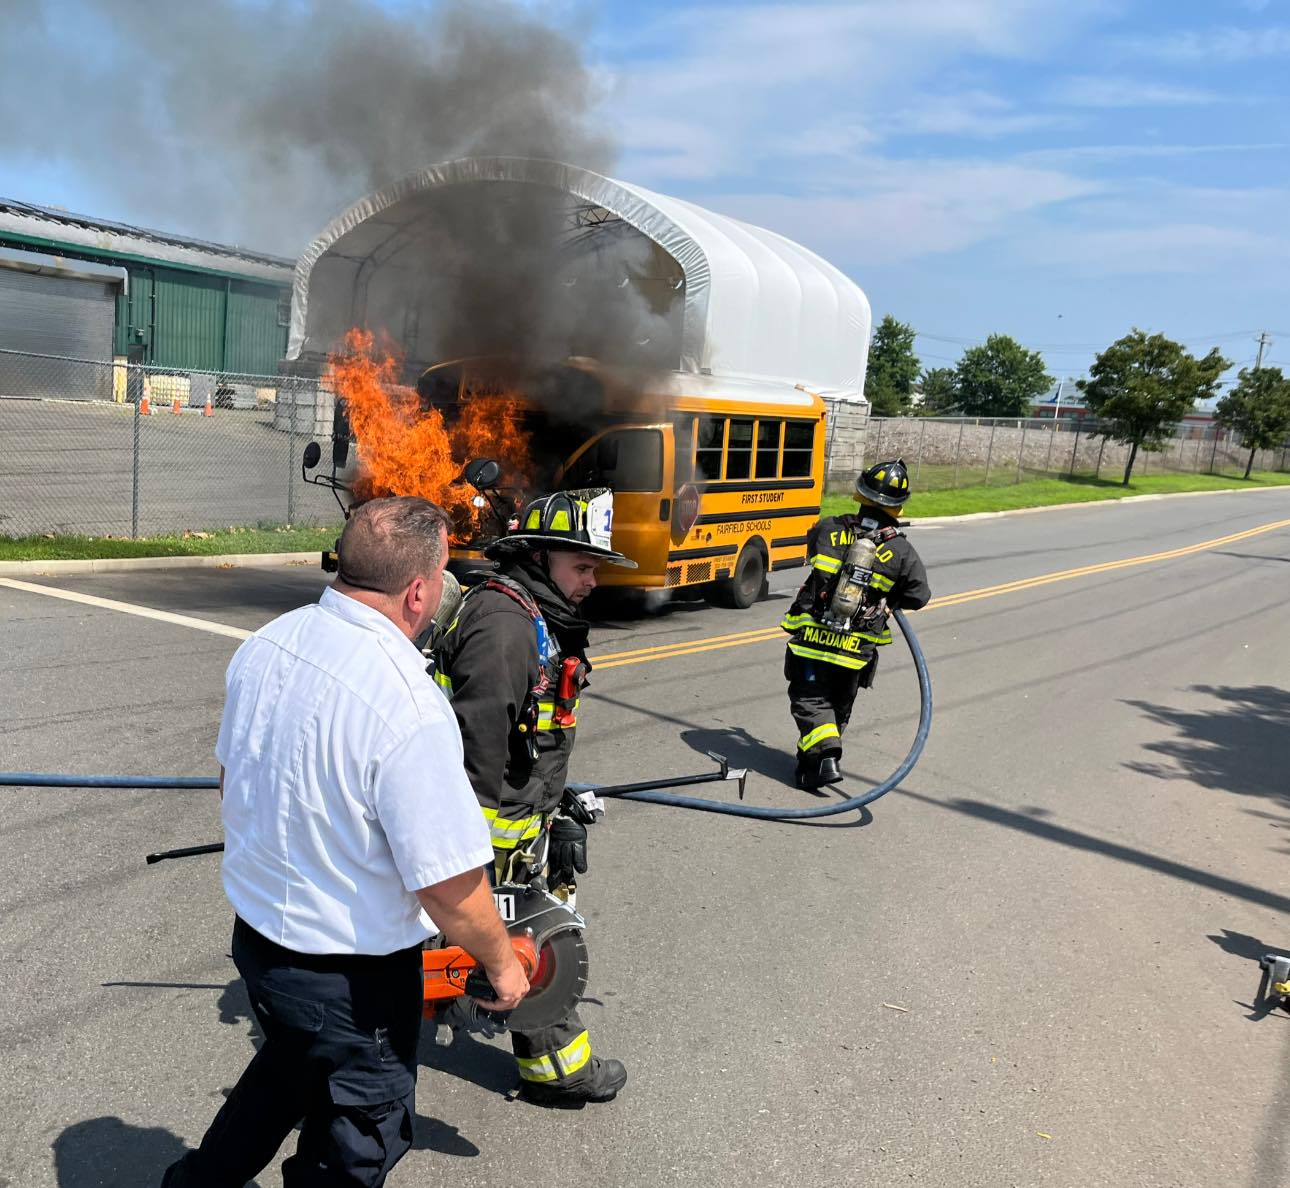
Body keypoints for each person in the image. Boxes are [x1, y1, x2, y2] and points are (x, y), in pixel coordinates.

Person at [163, 496, 528, 1187]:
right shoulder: (407, 704)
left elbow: (229, 782)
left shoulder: (265, 645)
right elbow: (449, 886)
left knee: (286, 1073)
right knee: (358, 1143)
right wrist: (504, 966)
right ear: (419, 590)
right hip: (351, 985)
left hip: (260, 948)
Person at [433, 488, 634, 1105]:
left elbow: (528, 736)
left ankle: (545, 1064)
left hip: (521, 824)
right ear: (541, 557)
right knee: (527, 938)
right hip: (489, 840)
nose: (592, 581)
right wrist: (476, 860)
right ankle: (559, 1073)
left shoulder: (538, 620)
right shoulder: (506, 627)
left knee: (522, 941)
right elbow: (473, 755)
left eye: (595, 568)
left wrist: (555, 802)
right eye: (583, 566)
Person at [780, 459, 931, 790]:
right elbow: (919, 595)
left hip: (814, 639)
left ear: (858, 493)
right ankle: (812, 768)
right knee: (837, 706)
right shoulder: (901, 550)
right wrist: (890, 600)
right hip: (855, 648)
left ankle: (827, 755)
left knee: (809, 699)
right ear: (900, 505)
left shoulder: (827, 528)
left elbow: (813, 557)